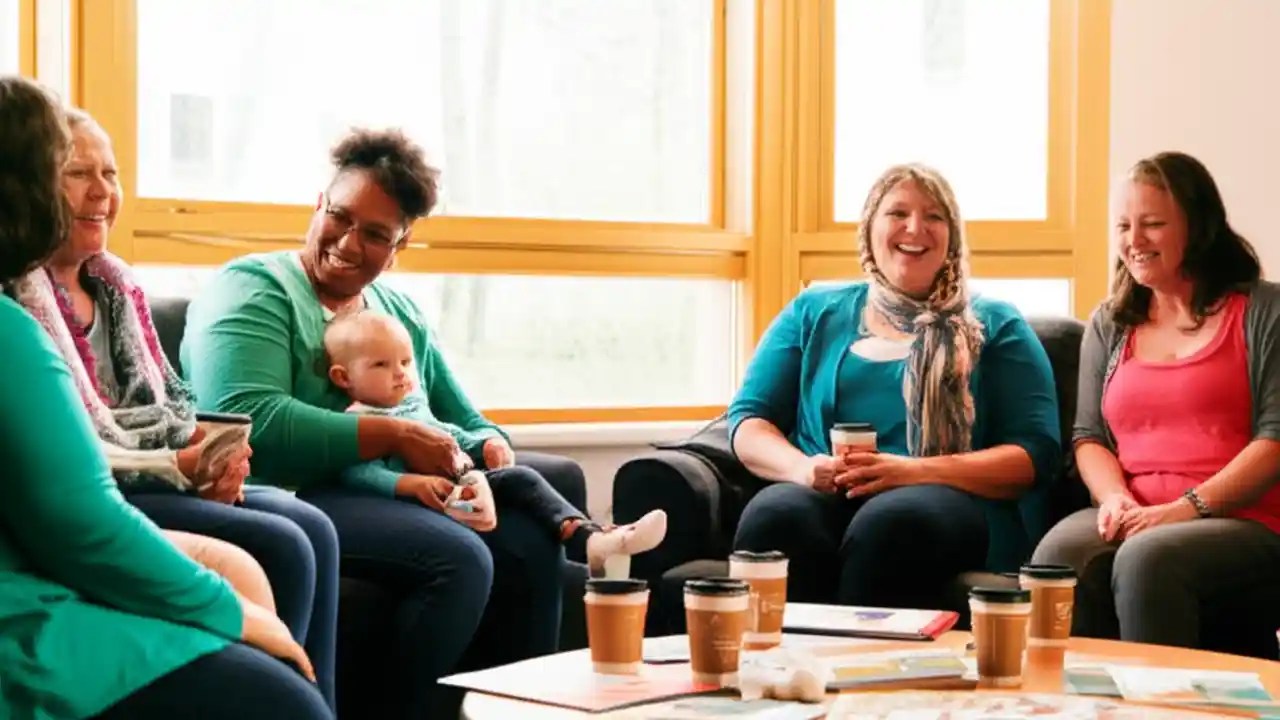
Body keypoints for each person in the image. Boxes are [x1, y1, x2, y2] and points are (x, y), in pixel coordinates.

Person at [181, 127, 570, 717]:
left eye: (375, 234)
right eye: (339, 216)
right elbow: (249, 417)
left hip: (386, 488)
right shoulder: (253, 288)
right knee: (459, 559)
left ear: (401, 244)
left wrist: (488, 454)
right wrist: (396, 435)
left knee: (531, 532)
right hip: (293, 490)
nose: (347, 241)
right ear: (318, 204)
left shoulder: (396, 314)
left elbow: (461, 415)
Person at [0, 73, 330, 720]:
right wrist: (235, 615)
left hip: (47, 551)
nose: (96, 193)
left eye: (111, 173)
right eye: (64, 172)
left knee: (294, 534)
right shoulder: (13, 327)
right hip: (25, 619)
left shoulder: (113, 291)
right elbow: (77, 521)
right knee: (284, 699)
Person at [729, 163, 1061, 609]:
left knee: (895, 523)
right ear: (869, 229)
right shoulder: (812, 311)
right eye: (898, 213)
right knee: (776, 515)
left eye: (934, 217)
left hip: (946, 498)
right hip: (825, 488)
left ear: (953, 237)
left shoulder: (996, 324)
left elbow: (1034, 455)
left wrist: (911, 471)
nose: (915, 228)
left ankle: (866, 672)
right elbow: (749, 421)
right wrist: (802, 470)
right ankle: (776, 671)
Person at [1031, 151, 1280, 648]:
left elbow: (1275, 439)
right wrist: (1114, 498)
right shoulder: (1111, 322)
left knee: (1149, 558)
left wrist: (1185, 508)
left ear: (1199, 226)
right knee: (1056, 557)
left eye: (1153, 224)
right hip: (1136, 509)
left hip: (1244, 518)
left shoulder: (1263, 311)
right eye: (1123, 225)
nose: (1133, 241)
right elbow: (1089, 438)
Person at [323, 309, 667, 573]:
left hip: (464, 485)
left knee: (523, 480)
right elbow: (359, 472)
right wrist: (408, 484)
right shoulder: (358, 420)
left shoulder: (410, 404)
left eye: (405, 362)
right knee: (519, 484)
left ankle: (592, 538)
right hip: (425, 499)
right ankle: (592, 541)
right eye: (381, 365)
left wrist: (482, 444)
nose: (399, 372)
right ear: (343, 377)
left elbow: (449, 433)